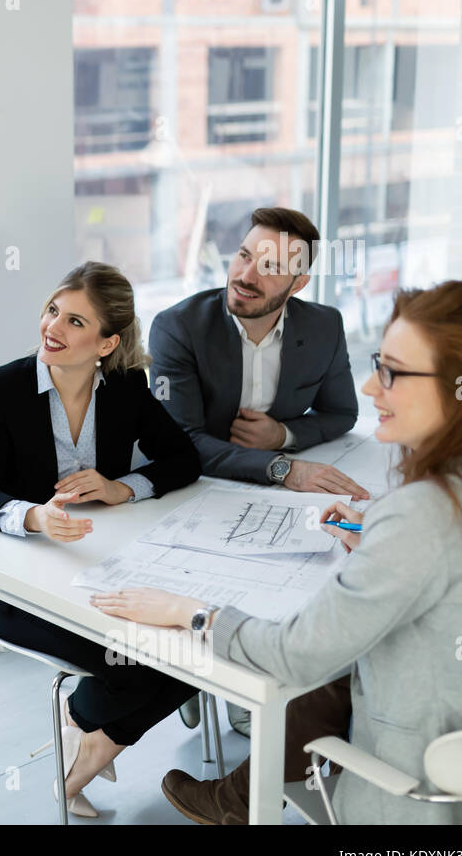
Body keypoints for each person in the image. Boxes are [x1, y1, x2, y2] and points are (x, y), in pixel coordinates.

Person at [93, 281, 462, 824]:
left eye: (392, 372)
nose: (370, 387)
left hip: (421, 817)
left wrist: (187, 610)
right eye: (375, 364)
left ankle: (238, 800)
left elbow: (292, 654)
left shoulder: (423, 515)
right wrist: (387, 543)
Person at [0, 262, 202, 817]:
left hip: (106, 568)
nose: (53, 327)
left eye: (74, 321)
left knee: (195, 645)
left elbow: (183, 458)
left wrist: (122, 489)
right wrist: (34, 518)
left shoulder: (125, 387)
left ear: (107, 342)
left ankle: (85, 730)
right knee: (149, 661)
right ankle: (90, 737)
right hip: (17, 586)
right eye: (52, 311)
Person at [150, 206, 368, 737]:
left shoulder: (324, 326)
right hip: (190, 492)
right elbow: (182, 442)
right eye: (244, 255)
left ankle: (266, 688)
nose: (246, 275)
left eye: (269, 267)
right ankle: (210, 678)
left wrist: (284, 436)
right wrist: (280, 466)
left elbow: (343, 413)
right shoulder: (178, 328)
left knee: (315, 573)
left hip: (273, 499)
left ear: (299, 282)